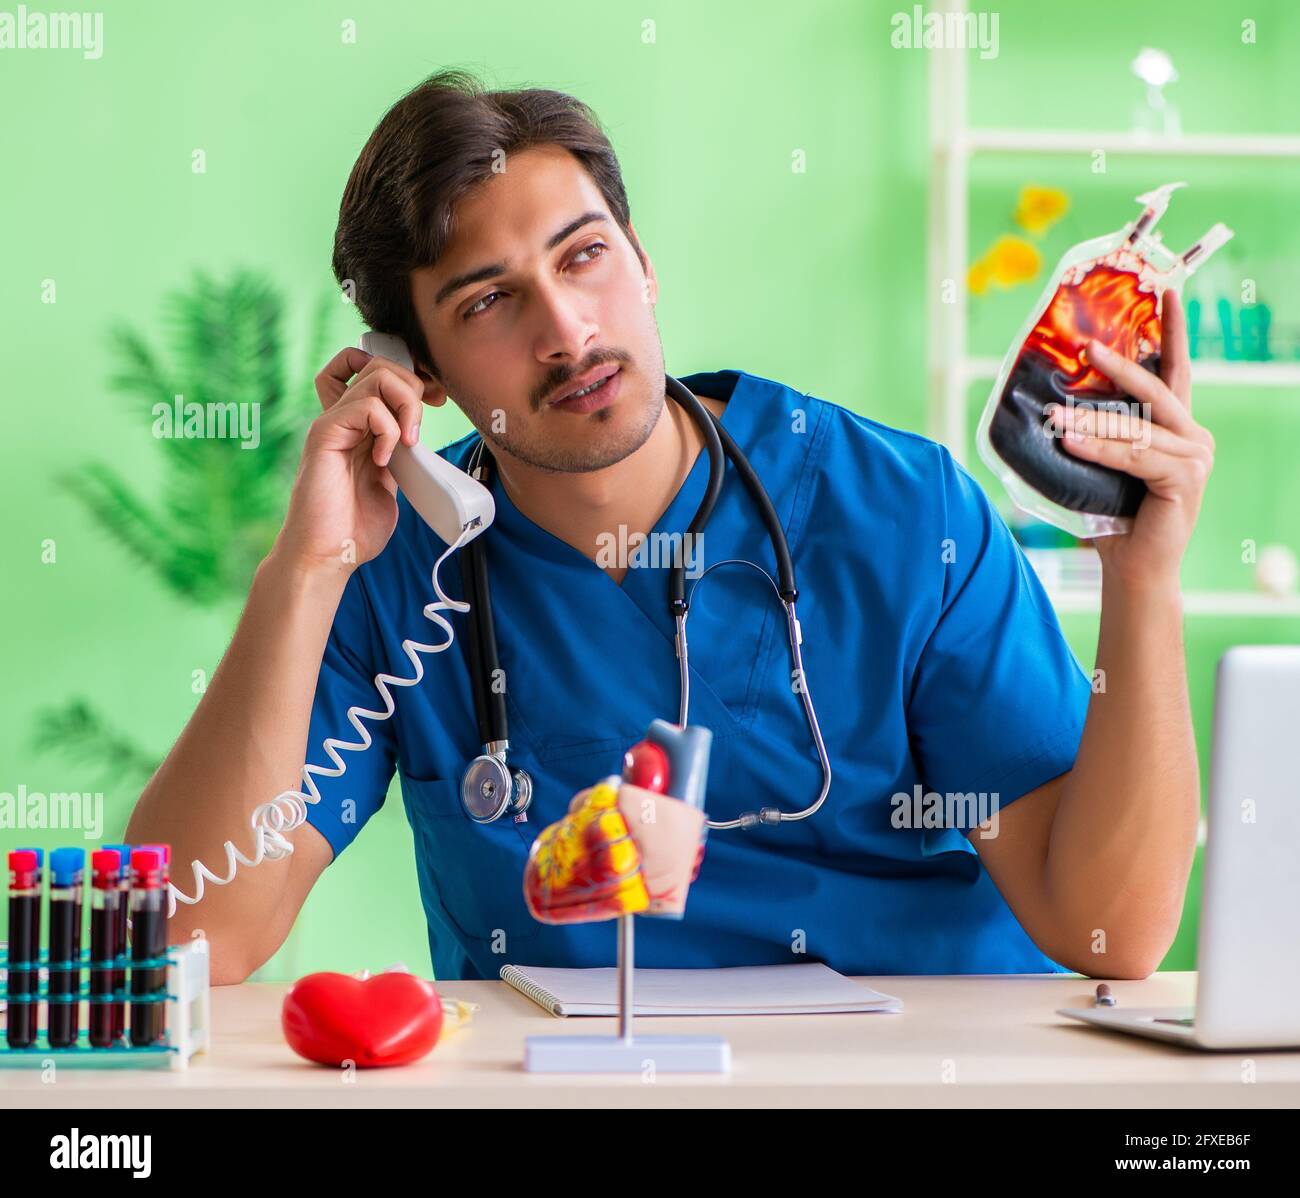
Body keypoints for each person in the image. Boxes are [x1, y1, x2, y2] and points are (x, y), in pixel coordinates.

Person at [127, 70, 1211, 985]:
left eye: (583, 254)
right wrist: (306, 567)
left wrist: (1142, 577)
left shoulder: (900, 511)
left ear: (642, 262)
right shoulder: (397, 562)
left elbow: (1106, 929)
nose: (566, 327)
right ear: (421, 374)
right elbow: (180, 939)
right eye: (485, 302)